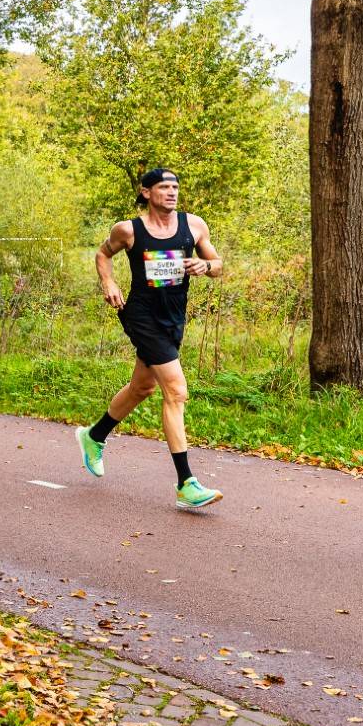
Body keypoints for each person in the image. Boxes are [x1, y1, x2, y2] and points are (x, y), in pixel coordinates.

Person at [80, 169, 225, 509]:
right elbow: (103, 255)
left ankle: (94, 435)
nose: (172, 192)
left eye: (175, 187)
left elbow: (218, 263)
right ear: (146, 192)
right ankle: (186, 483)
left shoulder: (195, 225)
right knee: (176, 390)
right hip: (141, 316)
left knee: (142, 388)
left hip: (174, 317)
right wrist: (109, 283)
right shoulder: (129, 230)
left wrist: (206, 266)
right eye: (164, 187)